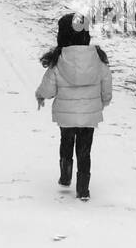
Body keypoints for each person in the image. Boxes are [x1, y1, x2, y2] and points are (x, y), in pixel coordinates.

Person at [35, 11, 111, 201]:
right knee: (85, 150)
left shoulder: (59, 60)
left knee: (66, 143)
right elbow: (106, 87)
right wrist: (102, 102)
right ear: (86, 34)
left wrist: (40, 95)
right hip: (89, 116)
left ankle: (65, 175)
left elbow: (48, 89)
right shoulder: (98, 58)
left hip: (67, 117)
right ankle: (83, 189)